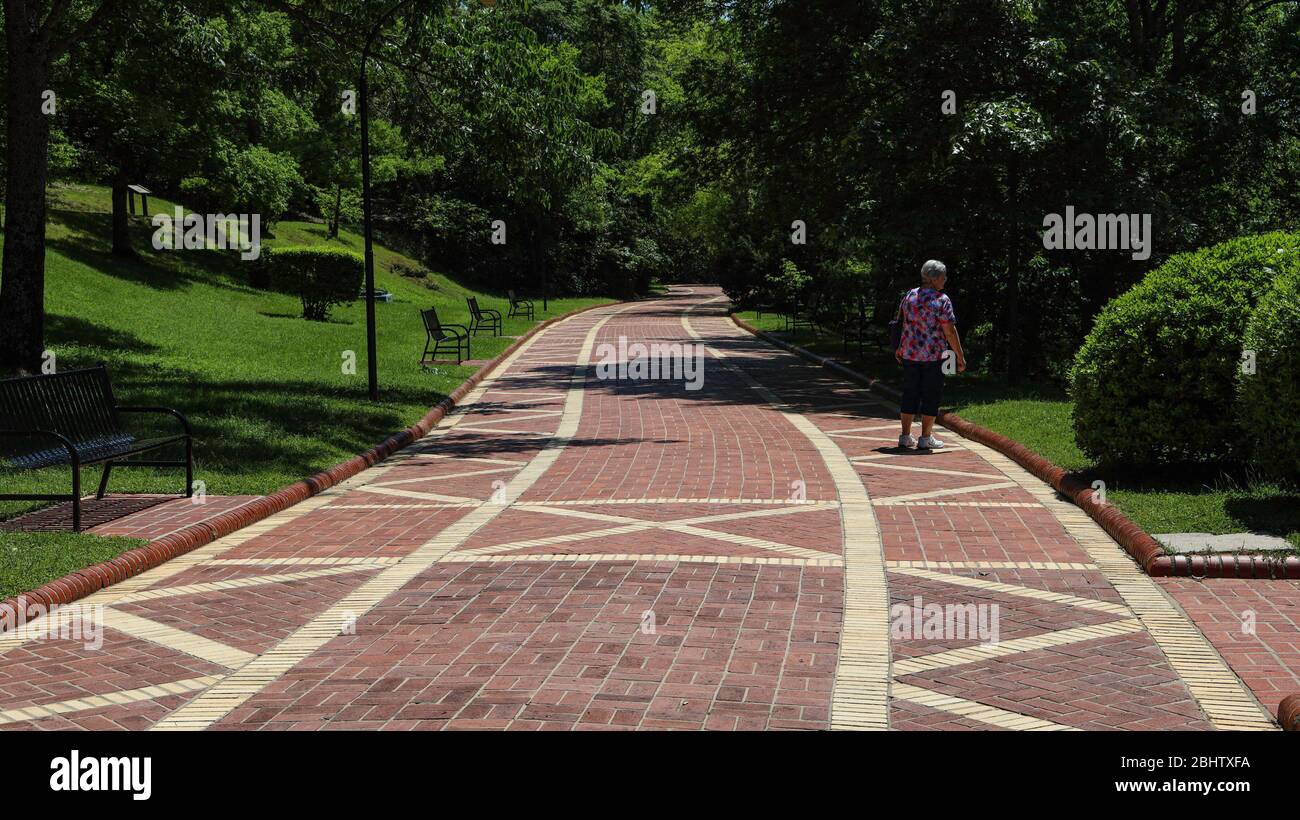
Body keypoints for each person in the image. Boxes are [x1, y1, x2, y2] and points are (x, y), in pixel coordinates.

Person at [894, 259, 966, 449]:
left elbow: (902, 323)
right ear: (934, 279)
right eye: (943, 277)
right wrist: (960, 356)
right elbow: (949, 331)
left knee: (910, 393)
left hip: (909, 353)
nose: (945, 280)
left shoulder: (910, 295)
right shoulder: (942, 300)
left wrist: (899, 347)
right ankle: (925, 438)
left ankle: (905, 436)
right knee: (931, 394)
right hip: (934, 356)